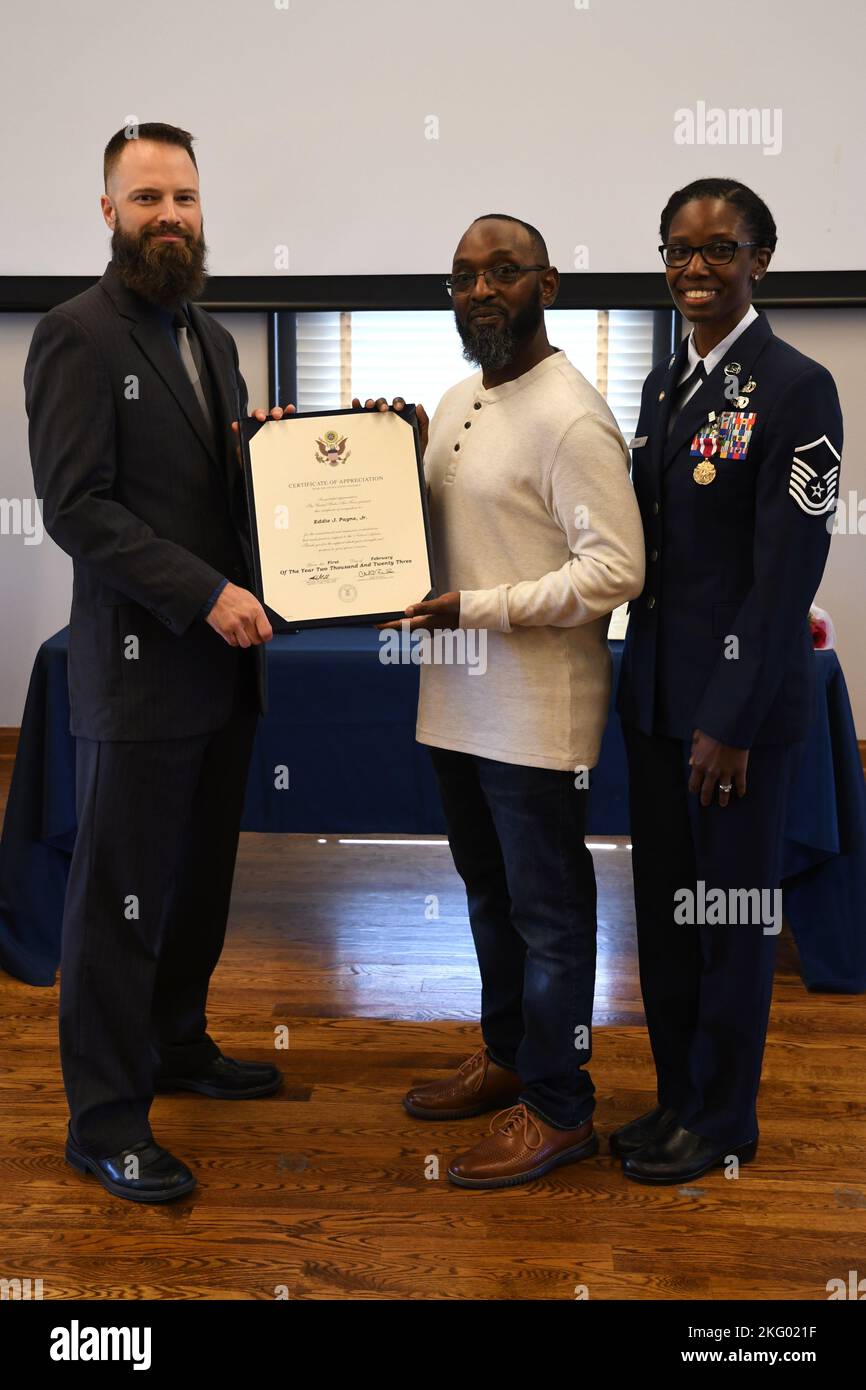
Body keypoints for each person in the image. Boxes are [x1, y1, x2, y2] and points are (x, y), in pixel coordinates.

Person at [24, 122, 285, 1204]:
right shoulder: (77, 334)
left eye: (182, 196)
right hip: (141, 672)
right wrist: (206, 594)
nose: (168, 215)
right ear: (107, 213)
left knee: (197, 889)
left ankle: (178, 1043)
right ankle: (105, 1120)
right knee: (120, 904)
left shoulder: (212, 340)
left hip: (220, 678)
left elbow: (221, 495)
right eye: (145, 199)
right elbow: (78, 508)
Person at [389, 213, 645, 1189]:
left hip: (536, 719)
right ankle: (506, 1058)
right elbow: (426, 535)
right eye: (462, 275)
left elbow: (614, 568)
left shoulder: (571, 415)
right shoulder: (461, 394)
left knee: (548, 915)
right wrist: (379, 454)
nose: (479, 289)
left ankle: (559, 1106)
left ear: (546, 287)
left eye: (502, 272)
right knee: (487, 895)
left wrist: (479, 608)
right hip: (455, 703)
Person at [615, 178, 843, 1183]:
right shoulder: (663, 384)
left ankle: (722, 1119)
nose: (693, 268)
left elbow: (783, 572)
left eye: (718, 249)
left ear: (761, 258)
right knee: (666, 917)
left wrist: (729, 721)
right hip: (658, 704)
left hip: (733, 720)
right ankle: (675, 1099)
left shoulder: (797, 386)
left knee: (728, 922)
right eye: (677, 249)